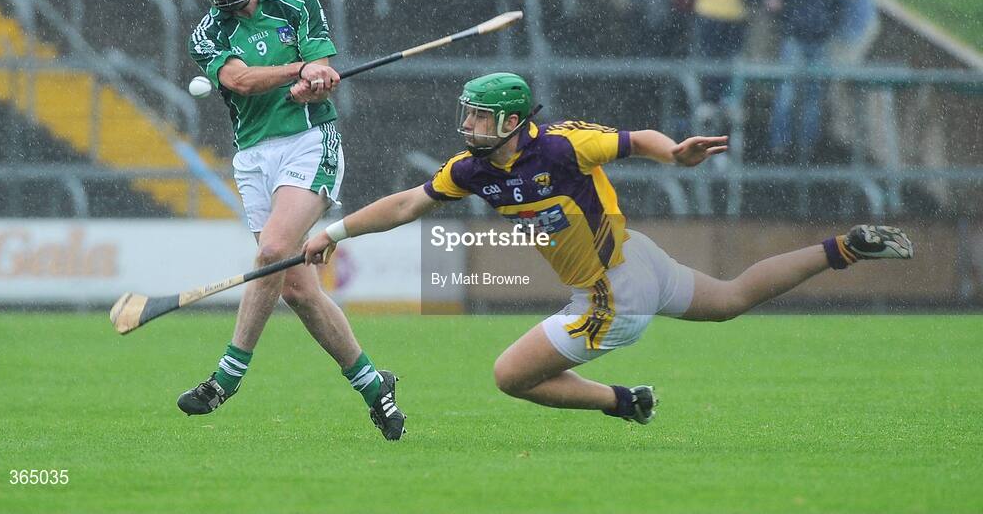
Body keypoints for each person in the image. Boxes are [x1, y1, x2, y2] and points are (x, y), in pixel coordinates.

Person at [301, 72, 914, 423]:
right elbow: (407, 204)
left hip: (612, 292)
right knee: (729, 299)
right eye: (469, 116)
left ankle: (623, 403)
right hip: (634, 261)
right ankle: (845, 248)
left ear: (513, 121)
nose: (470, 127)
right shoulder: (472, 169)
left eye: (482, 119)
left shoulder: (561, 146)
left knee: (510, 376)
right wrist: (331, 233)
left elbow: (632, 138)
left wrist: (672, 152)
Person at [180, 0, 406, 440]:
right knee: (299, 288)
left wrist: (316, 79)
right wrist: (298, 70)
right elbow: (238, 80)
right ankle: (376, 386)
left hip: (309, 142)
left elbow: (320, 70)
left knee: (274, 250)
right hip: (253, 157)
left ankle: (226, 377)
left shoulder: (298, 5)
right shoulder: (207, 33)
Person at [765, 0, 846, 161]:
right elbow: (773, 1)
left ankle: (806, 146)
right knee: (787, 93)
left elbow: (838, 6)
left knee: (814, 96)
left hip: (818, 43)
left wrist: (827, 26)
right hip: (796, 40)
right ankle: (780, 143)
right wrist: (779, 10)